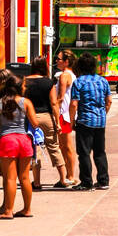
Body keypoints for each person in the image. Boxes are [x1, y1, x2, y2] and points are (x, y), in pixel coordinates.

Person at [0, 72, 38, 218]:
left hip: (7, 141)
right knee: (25, 178)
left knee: (10, 178)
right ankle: (27, 209)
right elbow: (35, 123)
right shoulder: (26, 102)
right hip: (24, 140)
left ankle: (8, 211)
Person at [24, 56, 70, 190]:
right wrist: (57, 122)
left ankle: (37, 182)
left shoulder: (25, 81)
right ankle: (63, 179)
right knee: (54, 147)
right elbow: (54, 103)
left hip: (31, 117)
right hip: (47, 117)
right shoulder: (48, 82)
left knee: (35, 149)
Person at [70, 53, 112, 189]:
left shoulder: (79, 82)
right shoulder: (103, 81)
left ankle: (86, 182)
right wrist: (103, 114)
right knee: (100, 152)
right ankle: (103, 180)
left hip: (85, 120)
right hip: (100, 121)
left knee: (84, 153)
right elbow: (109, 101)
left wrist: (72, 121)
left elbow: (74, 104)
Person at [56, 50, 78, 182]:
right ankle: (69, 175)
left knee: (66, 146)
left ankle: (70, 175)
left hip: (63, 114)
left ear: (66, 61)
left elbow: (60, 97)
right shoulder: (71, 75)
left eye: (58, 59)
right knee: (64, 146)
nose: (56, 61)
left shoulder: (64, 76)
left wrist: (54, 110)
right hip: (66, 114)